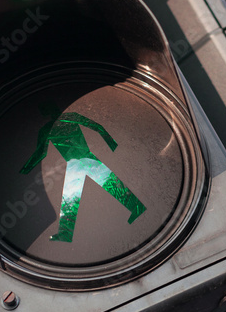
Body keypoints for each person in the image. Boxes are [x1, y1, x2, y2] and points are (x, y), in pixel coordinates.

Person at [20, 103, 146, 243]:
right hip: (77, 163)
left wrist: (112, 143)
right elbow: (40, 153)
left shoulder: (67, 118)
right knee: (72, 197)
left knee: (106, 185)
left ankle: (136, 207)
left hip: (84, 159)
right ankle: (66, 234)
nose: (54, 111)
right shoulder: (50, 127)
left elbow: (95, 126)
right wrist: (25, 170)